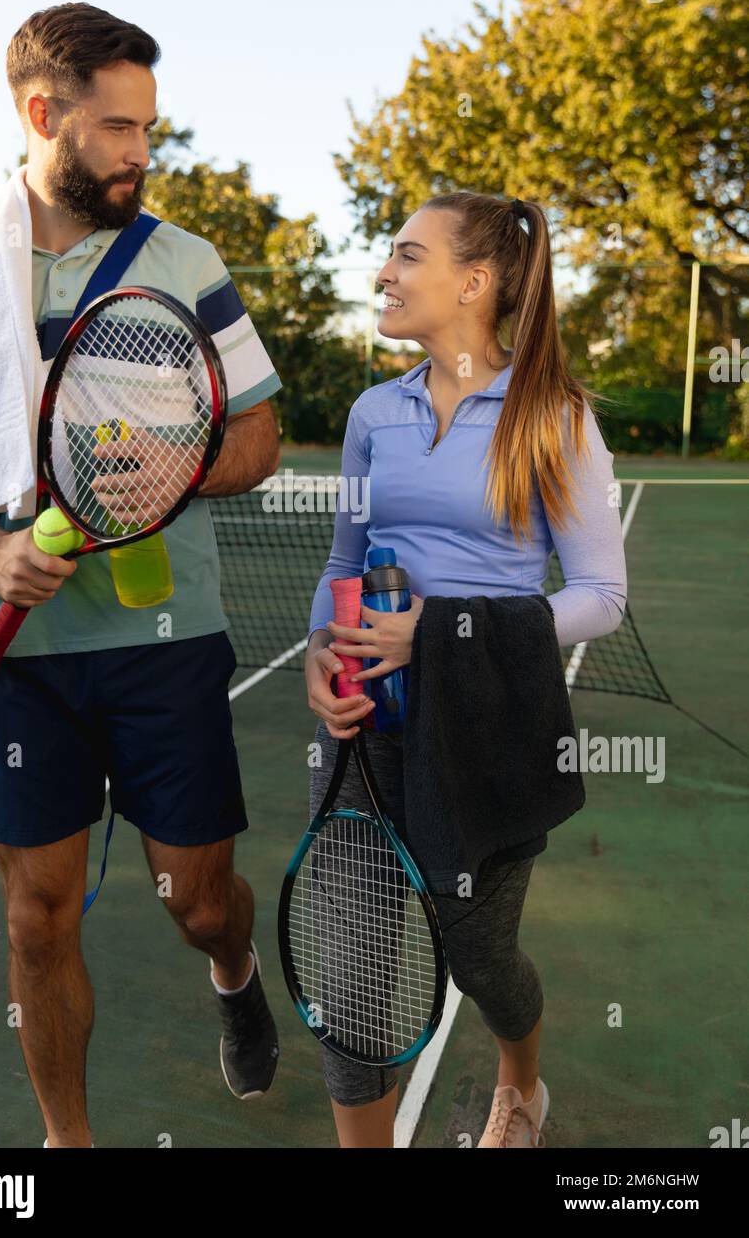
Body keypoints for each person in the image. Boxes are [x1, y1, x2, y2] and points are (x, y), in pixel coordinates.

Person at [0, 2, 282, 1147]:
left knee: (195, 899)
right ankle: (70, 1144)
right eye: (116, 128)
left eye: (149, 127)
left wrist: (167, 470)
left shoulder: (185, 261)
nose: (140, 153)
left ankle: (233, 966)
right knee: (37, 918)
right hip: (28, 653)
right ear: (40, 112)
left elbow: (256, 440)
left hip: (168, 640)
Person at [304, 191, 627, 1148]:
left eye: (407, 255)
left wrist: (443, 634)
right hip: (365, 732)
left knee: (480, 955)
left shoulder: (554, 417)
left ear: (475, 283)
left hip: (488, 734)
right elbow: (340, 564)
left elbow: (603, 594)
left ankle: (519, 1085)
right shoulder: (374, 413)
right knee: (353, 981)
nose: (383, 275)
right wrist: (323, 656)